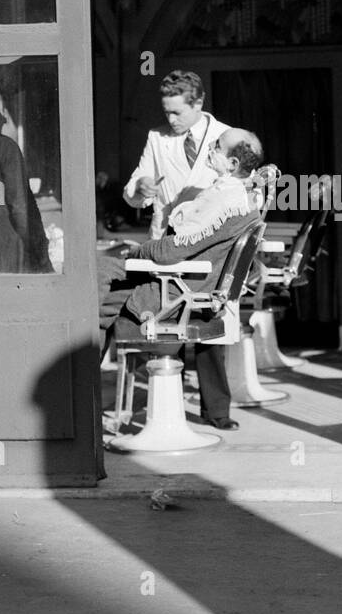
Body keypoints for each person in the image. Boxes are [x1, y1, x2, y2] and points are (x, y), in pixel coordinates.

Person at [100, 129, 265, 430]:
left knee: (95, 293)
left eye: (217, 146)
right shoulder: (240, 197)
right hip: (193, 287)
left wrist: (137, 251)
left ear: (232, 164)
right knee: (103, 272)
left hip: (178, 291)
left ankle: (80, 406)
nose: (210, 147)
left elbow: (171, 251)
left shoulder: (225, 202)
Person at [123, 70, 232, 239]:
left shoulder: (228, 136)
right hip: (165, 238)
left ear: (198, 103)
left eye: (177, 113)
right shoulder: (157, 138)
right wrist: (141, 185)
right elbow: (131, 192)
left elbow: (249, 192)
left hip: (210, 237)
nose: (171, 120)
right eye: (166, 112)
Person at [0, 85, 52, 274]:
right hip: (8, 261)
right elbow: (21, 210)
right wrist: (39, 254)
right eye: (3, 110)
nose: (5, 118)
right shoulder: (5, 148)